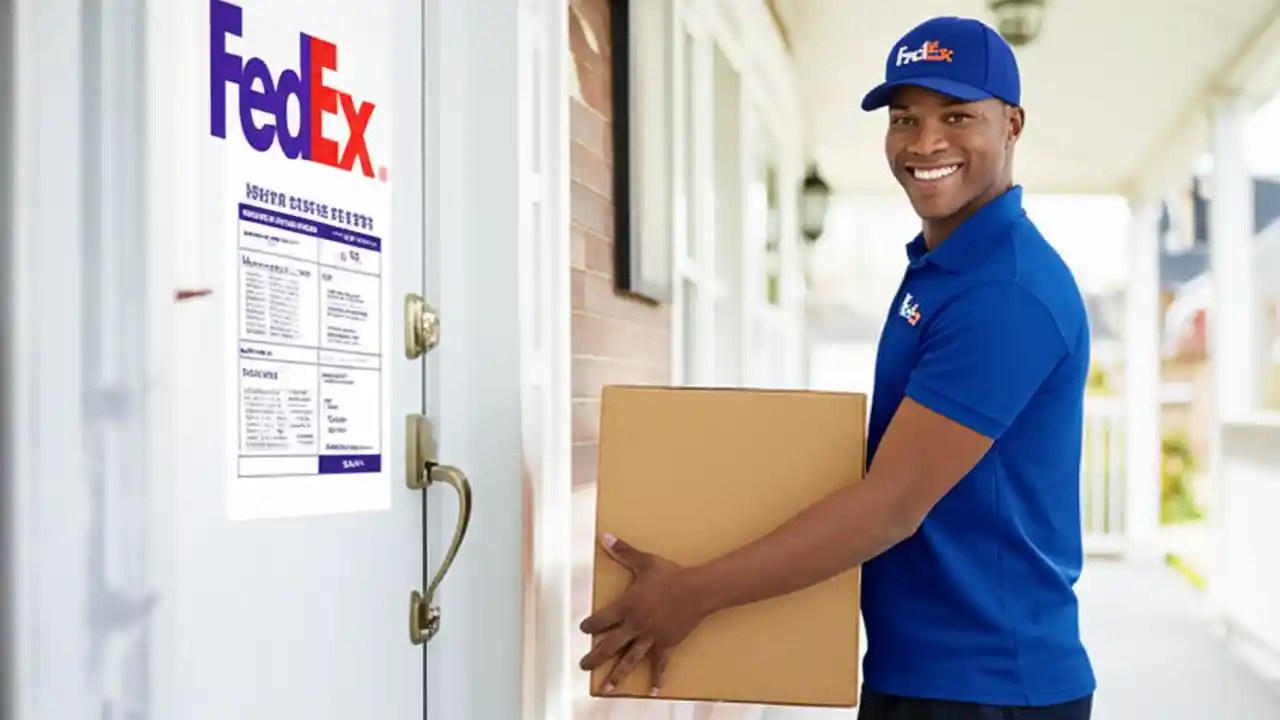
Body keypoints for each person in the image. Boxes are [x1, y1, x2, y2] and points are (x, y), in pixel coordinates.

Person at [579, 15, 1095, 720]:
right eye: (905, 118)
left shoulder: (1003, 291)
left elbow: (891, 505)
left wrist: (691, 593)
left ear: (1012, 126)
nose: (926, 142)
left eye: (957, 116)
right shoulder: (945, 271)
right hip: (930, 671)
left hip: (985, 684)